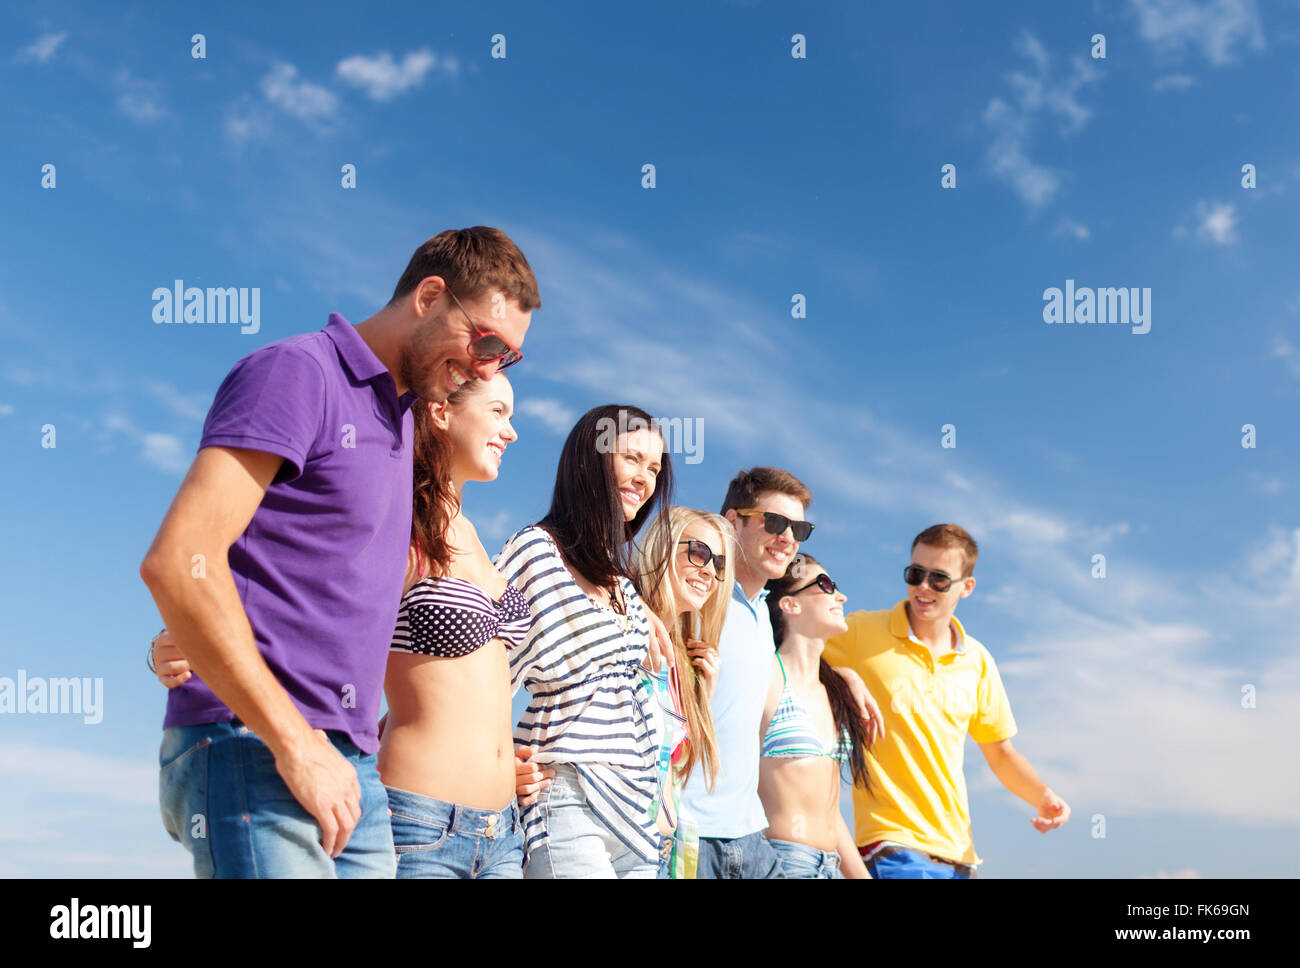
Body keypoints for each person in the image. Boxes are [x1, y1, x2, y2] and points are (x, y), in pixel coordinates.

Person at [139, 227, 539, 877]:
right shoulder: (299, 371)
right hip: (253, 743)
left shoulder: (402, 424)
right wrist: (294, 743)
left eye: (508, 358)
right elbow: (181, 559)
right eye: (487, 341)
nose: (489, 367)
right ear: (430, 296)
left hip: (351, 765)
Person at [823, 523, 1071, 879]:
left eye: (938, 579)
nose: (923, 587)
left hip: (960, 856)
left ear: (966, 587)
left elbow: (1000, 754)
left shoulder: (978, 660)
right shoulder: (860, 632)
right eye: (915, 574)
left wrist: (1042, 795)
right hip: (891, 844)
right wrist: (846, 676)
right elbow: (794, 651)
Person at [678, 467, 884, 879]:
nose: (788, 538)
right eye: (774, 522)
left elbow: (793, 668)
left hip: (749, 841)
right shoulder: (699, 598)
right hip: (692, 836)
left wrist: (842, 676)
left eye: (799, 529)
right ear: (733, 521)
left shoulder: (757, 618)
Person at [497, 405, 674, 878]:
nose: (645, 479)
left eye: (654, 468)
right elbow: (482, 671)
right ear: (588, 461)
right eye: (632, 459)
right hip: (568, 795)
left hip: (636, 814)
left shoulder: (622, 584)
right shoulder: (535, 552)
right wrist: (493, 759)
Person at [632, 507, 732, 878]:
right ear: (661, 551)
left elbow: (675, 774)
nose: (709, 571)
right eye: (698, 553)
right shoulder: (624, 625)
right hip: (615, 844)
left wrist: (706, 692)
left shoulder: (686, 665)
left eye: (717, 563)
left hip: (665, 855)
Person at [760, 554, 872, 878]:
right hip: (780, 862)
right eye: (825, 584)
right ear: (790, 605)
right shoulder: (764, 674)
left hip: (831, 866)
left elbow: (829, 811)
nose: (841, 596)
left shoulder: (834, 693)